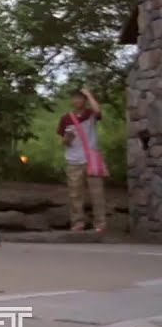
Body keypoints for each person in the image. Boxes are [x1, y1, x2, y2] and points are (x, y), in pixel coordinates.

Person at [57, 87, 107, 233]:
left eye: (81, 98)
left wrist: (89, 94)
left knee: (97, 193)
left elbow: (98, 111)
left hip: (91, 159)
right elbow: (63, 142)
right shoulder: (66, 118)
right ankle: (78, 223)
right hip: (73, 160)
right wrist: (68, 138)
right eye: (75, 98)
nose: (78, 100)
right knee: (75, 194)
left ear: (85, 100)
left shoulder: (90, 115)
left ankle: (100, 224)